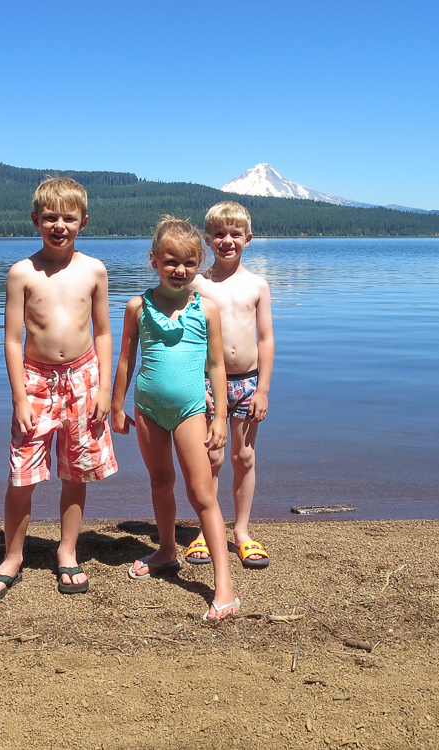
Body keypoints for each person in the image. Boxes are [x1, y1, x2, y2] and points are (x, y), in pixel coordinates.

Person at [0, 177, 118, 602]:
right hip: (35, 381)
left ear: (83, 222)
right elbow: (12, 339)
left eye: (68, 218)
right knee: (22, 475)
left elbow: (104, 332)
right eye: (50, 217)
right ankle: (12, 556)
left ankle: (67, 550)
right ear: (35, 219)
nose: (59, 226)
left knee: (76, 472)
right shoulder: (23, 272)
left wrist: (105, 389)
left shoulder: (94, 270)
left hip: (83, 378)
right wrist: (19, 396)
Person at [110, 215, 239, 621]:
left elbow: (216, 365)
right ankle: (166, 550)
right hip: (147, 408)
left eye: (188, 263)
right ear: (153, 260)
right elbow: (126, 360)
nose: (179, 270)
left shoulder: (207, 309)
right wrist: (116, 406)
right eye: (170, 261)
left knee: (202, 494)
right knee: (161, 481)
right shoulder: (138, 306)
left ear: (199, 263)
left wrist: (219, 417)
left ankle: (224, 586)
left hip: (190, 411)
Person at [188, 201, 274, 569]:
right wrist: (195, 384)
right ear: (207, 240)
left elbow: (265, 339)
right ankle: (204, 530)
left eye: (235, 234)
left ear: (248, 239)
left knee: (244, 457)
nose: (227, 240)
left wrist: (263, 390)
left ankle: (241, 531)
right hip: (208, 383)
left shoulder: (257, 285)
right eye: (219, 234)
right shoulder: (197, 283)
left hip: (247, 383)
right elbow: (189, 337)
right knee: (211, 458)